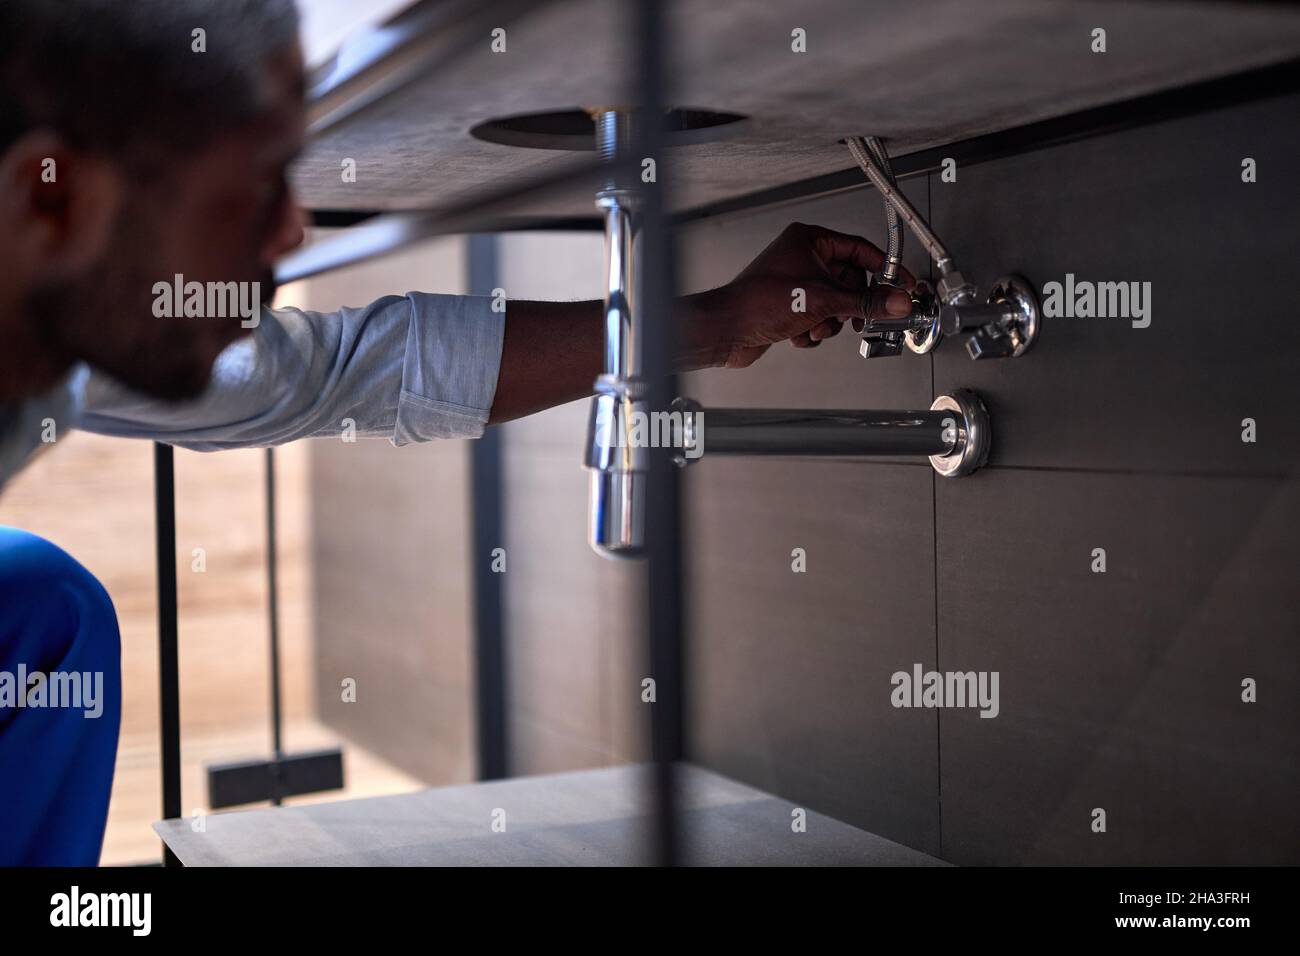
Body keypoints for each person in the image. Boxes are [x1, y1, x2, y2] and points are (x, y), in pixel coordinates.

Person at [0, 0, 914, 864]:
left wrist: (715, 323)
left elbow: (322, 374)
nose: (292, 228)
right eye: (253, 182)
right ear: (53, 202)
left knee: (46, 609)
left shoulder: (53, 306)